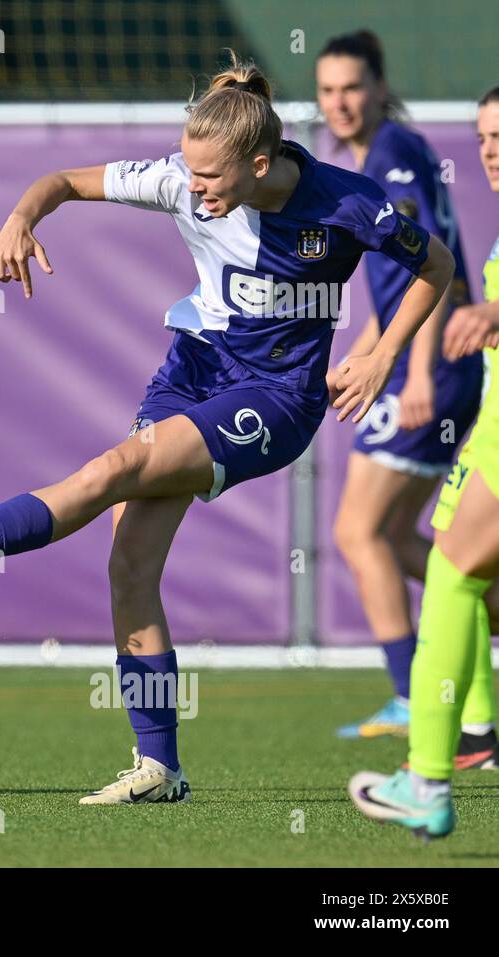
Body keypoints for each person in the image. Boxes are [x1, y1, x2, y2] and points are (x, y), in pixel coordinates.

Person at [0, 53, 456, 805]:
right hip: (190, 372)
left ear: (258, 163)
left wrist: (381, 353)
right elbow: (59, 184)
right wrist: (20, 218)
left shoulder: (345, 201)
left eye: (209, 177)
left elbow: (434, 264)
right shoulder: (180, 178)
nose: (193, 187)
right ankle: (160, 768)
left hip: (275, 400)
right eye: (187, 170)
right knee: (128, 566)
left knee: (109, 470)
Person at [316, 31, 494, 755]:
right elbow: (396, 292)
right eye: (327, 91)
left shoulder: (391, 154)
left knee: (359, 533)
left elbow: (435, 275)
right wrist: (359, 355)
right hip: (432, 356)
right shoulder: (387, 152)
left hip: (438, 363)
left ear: (379, 86)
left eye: (352, 88)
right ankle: (454, 701)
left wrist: (414, 371)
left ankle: (411, 693)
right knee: (407, 542)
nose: (340, 103)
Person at [350, 87, 499, 840]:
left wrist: (492, 315)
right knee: (452, 569)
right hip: (492, 436)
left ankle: (433, 775)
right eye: (484, 138)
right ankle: (453, 752)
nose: (492, 150)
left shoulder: (394, 161)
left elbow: (428, 262)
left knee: (444, 567)